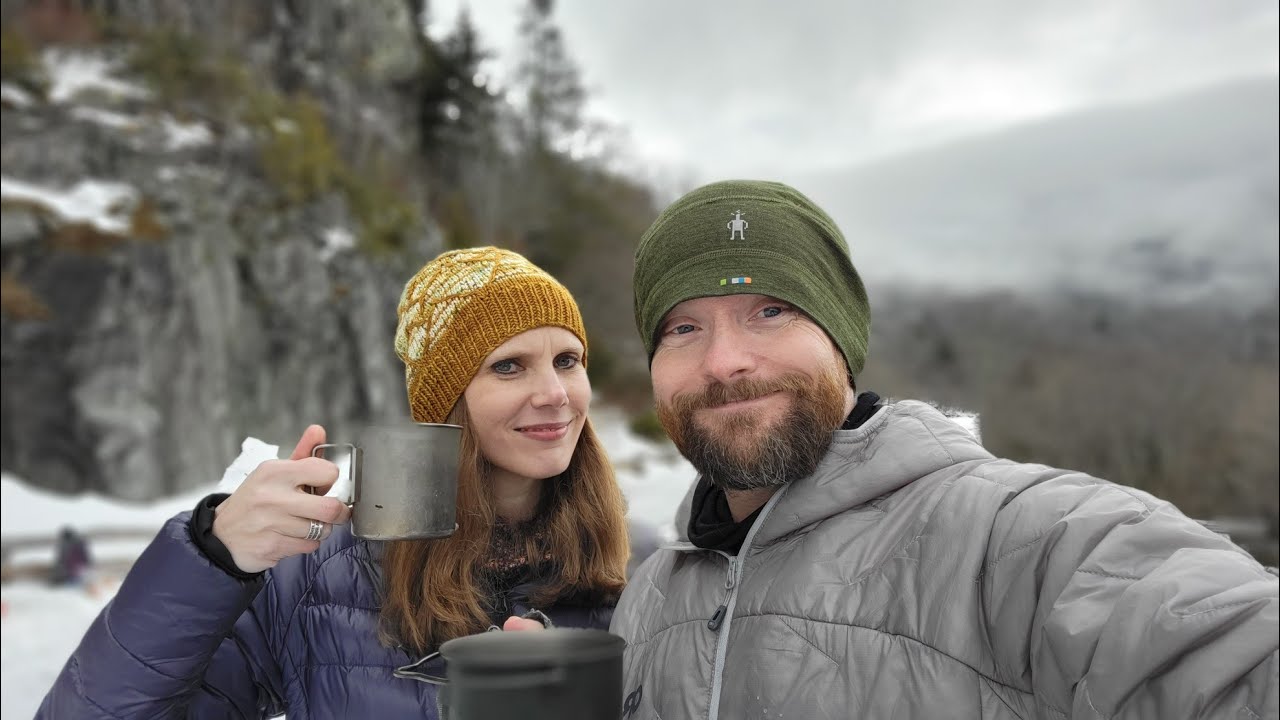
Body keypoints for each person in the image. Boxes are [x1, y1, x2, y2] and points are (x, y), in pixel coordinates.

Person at [610, 180, 1279, 719]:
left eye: (771, 311)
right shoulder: (650, 596)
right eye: (683, 328)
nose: (723, 361)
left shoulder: (1019, 541)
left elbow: (1221, 646)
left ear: (841, 341)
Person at [38, 247, 631, 719]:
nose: (555, 393)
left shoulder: (642, 569)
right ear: (444, 403)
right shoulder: (319, 573)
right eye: (507, 366)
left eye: (568, 360)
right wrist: (213, 559)